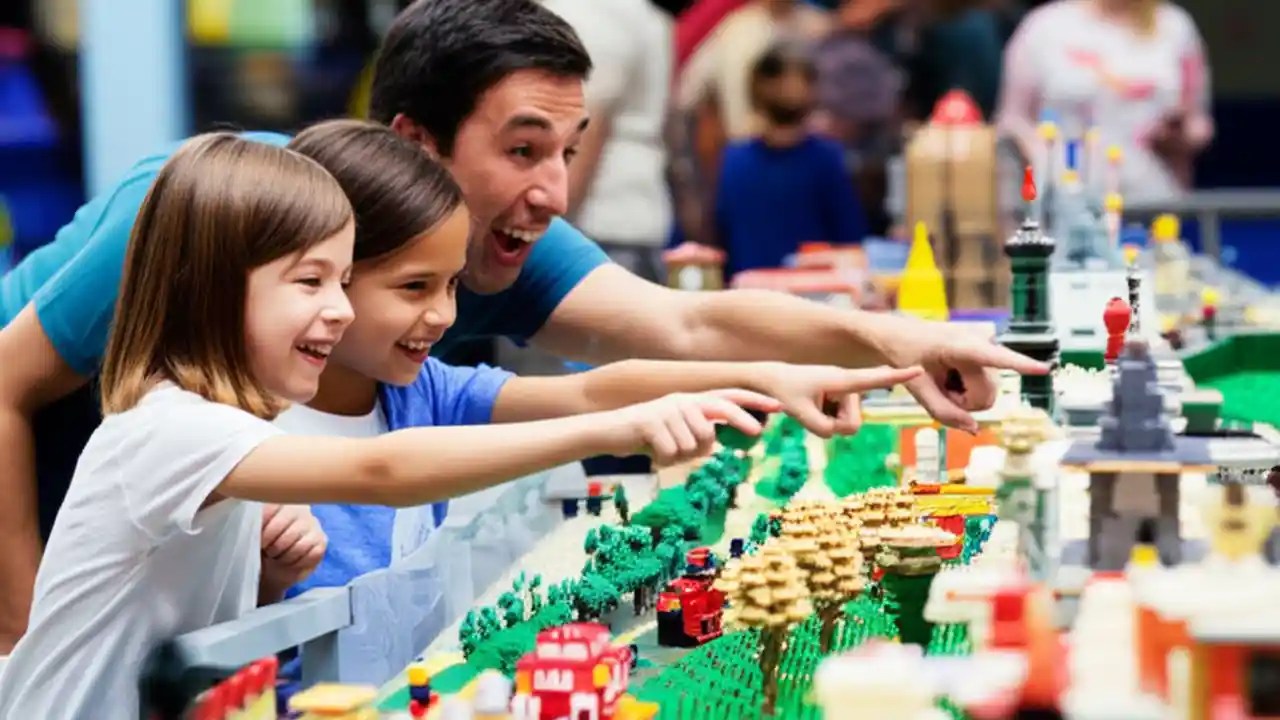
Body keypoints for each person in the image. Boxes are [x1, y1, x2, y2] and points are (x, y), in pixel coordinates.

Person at [0, 0, 1048, 650]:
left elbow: (678, 331)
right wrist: (19, 637)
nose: (554, 190)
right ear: (418, 140)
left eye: (569, 149)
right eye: (523, 148)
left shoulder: (438, 311)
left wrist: (893, 343)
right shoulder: (201, 211)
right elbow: (8, 391)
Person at [0, 133, 778, 720]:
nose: (339, 310)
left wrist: (268, 578)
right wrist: (613, 429)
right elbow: (384, 471)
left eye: (343, 281)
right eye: (309, 281)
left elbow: (189, 615)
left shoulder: (233, 429)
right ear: (209, 290)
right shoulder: (171, 428)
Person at [280, 119, 923, 593]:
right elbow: (385, 469)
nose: (445, 316)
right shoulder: (257, 429)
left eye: (451, 287)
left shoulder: (420, 390)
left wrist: (768, 378)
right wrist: (623, 427)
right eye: (414, 288)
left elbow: (591, 391)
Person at [994, 0, 1212, 202]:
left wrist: (1178, 136)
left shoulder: (1175, 27)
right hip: (1063, 203)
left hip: (1153, 200)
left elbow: (1199, 123)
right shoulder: (1044, 27)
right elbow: (1010, 122)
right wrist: (1041, 156)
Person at [541, 0, 674, 282]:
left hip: (596, 230)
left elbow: (583, 127)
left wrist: (542, 233)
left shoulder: (591, 15)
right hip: (628, 222)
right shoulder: (640, 12)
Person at [715, 43, 867, 276]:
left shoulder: (826, 160)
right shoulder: (734, 161)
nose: (790, 90)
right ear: (758, 86)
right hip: (747, 289)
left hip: (815, 288)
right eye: (780, 81)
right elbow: (718, 235)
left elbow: (850, 241)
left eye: (799, 81)